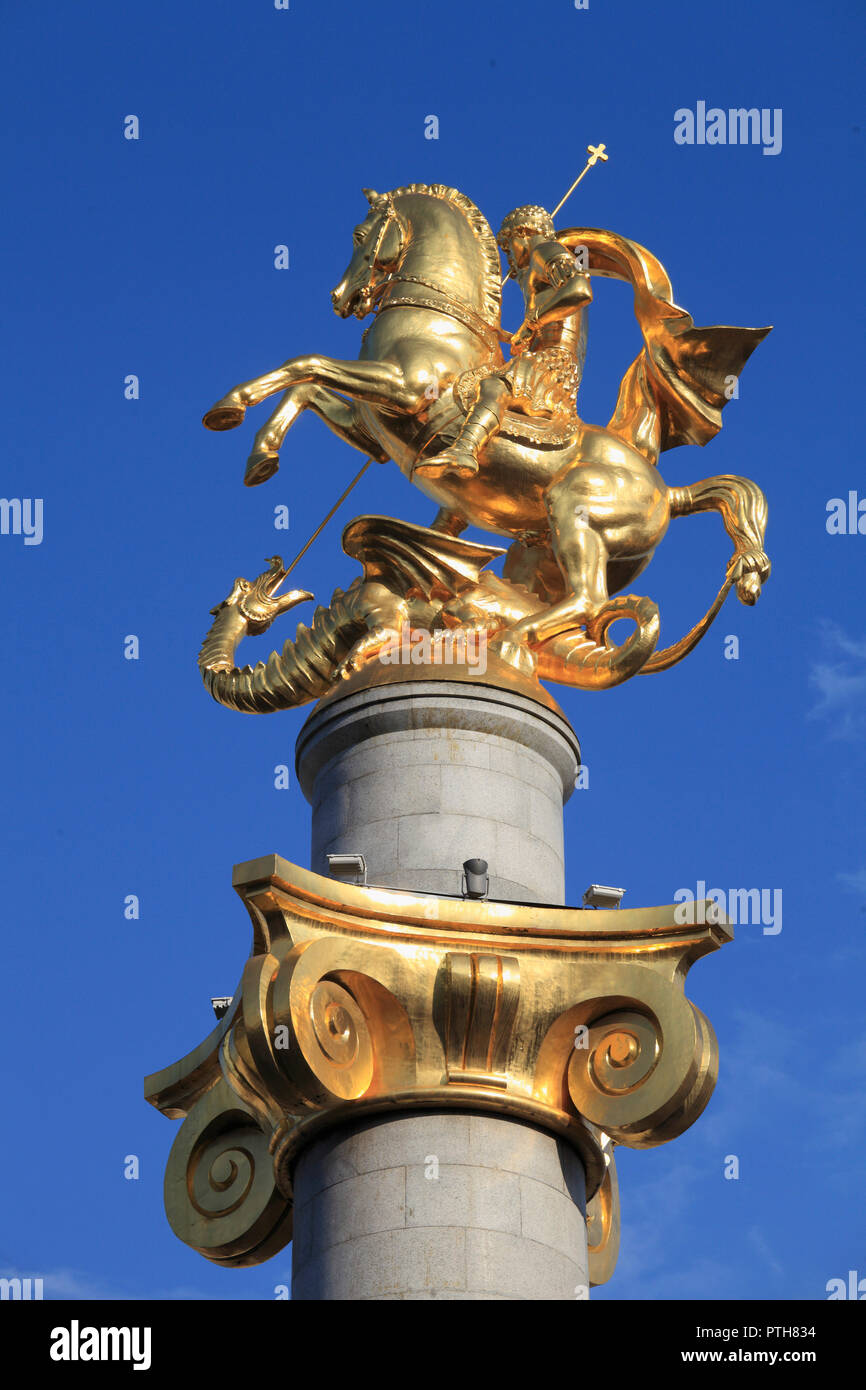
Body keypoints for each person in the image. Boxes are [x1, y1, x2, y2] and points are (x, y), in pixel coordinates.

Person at [414, 205, 592, 479]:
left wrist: (530, 323)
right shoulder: (539, 262)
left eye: (509, 247)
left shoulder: (547, 251)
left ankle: (464, 449)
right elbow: (541, 327)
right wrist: (515, 334)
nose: (509, 256)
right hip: (542, 357)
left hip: (554, 364)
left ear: (524, 233)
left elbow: (579, 289)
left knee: (494, 387)